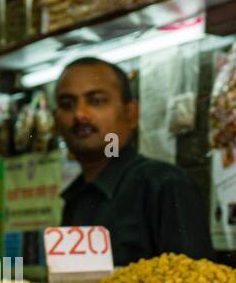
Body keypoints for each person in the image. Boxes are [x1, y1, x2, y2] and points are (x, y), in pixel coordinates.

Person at [54, 57, 212, 265]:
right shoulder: (76, 198)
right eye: (68, 104)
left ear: (131, 113)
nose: (80, 114)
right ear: (56, 120)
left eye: (96, 101)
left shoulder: (164, 185)